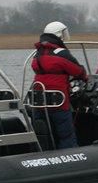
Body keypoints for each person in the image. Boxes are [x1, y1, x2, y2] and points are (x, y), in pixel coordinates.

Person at [31, 21, 87, 149]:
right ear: (59, 35)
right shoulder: (62, 53)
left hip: (39, 101)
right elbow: (78, 71)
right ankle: (70, 159)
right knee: (66, 135)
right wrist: (84, 77)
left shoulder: (37, 54)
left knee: (43, 134)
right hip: (59, 103)